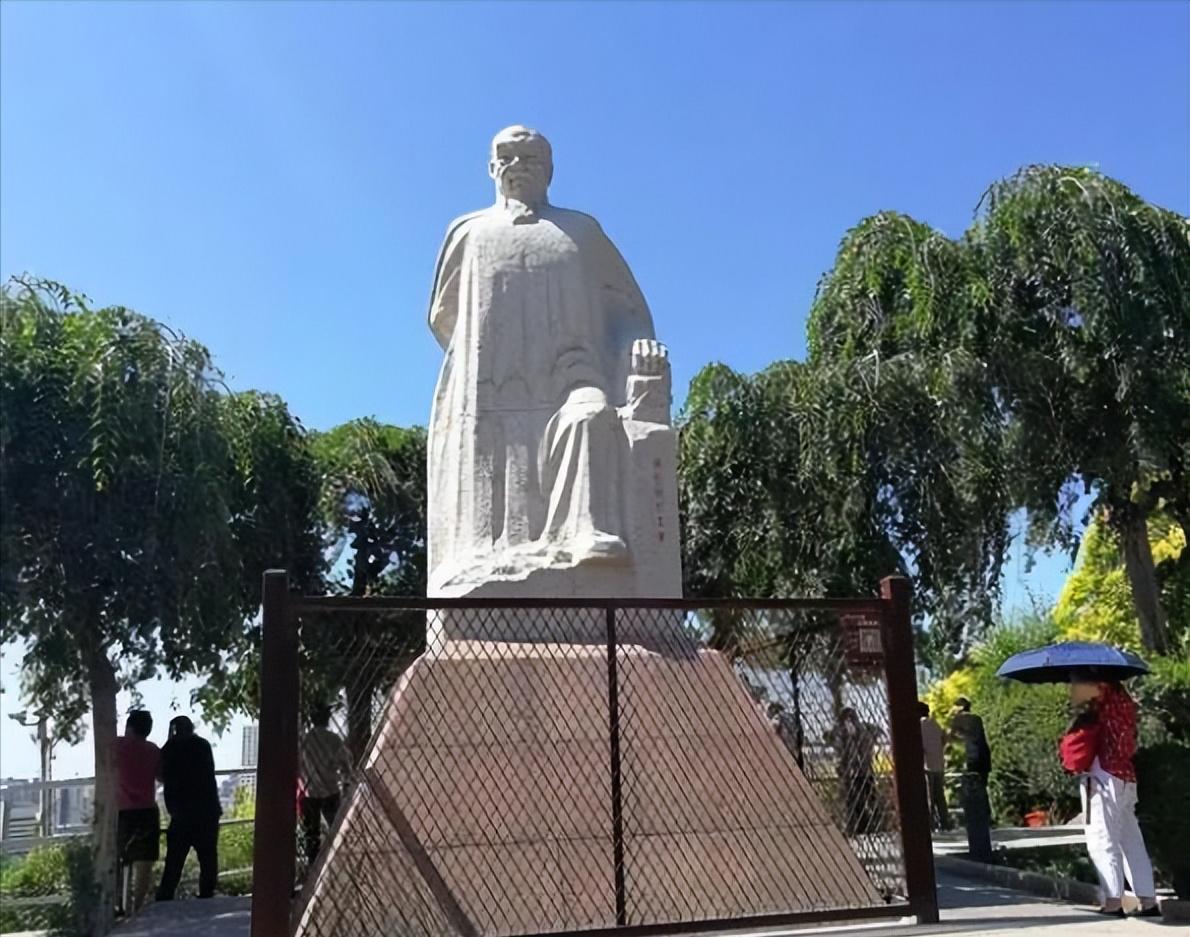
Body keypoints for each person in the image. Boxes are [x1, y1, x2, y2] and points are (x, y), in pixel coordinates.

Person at [1060, 676, 1158, 918]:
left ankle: (1114, 902)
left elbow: (1082, 740)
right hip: (1125, 776)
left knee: (1101, 839)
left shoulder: (1099, 700)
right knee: (1131, 841)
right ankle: (1147, 900)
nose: (1073, 688)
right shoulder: (1124, 701)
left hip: (1102, 777)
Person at [156, 716, 221, 901]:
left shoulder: (170, 749)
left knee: (174, 862)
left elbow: (161, 775)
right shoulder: (203, 745)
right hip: (207, 810)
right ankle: (206, 895)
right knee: (208, 858)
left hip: (181, 813)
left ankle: (165, 897)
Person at [114, 710, 160, 915]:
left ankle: (116, 905)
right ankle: (137, 909)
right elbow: (161, 776)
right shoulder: (153, 750)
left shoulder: (115, 745)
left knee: (117, 859)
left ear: (128, 726)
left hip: (121, 811)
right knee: (144, 864)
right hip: (147, 811)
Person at [300, 705, 351, 865]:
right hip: (330, 790)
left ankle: (313, 866)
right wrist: (345, 781)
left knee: (311, 834)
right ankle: (341, 861)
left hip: (309, 791)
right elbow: (346, 762)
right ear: (327, 719)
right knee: (337, 829)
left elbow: (297, 764)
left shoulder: (304, 740)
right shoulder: (333, 739)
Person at [826, 707, 881, 836]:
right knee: (868, 796)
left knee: (853, 798)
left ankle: (857, 825)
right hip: (865, 769)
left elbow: (841, 749)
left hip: (854, 770)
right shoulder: (865, 728)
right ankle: (869, 824)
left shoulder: (848, 729)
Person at [949, 697, 992, 860]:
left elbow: (955, 741)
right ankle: (987, 818)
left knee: (971, 796)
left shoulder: (957, 721)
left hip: (970, 760)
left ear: (959, 707)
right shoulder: (977, 719)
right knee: (983, 790)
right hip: (983, 758)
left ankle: (978, 827)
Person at [918, 702, 949, 832]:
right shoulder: (935, 724)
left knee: (928, 797)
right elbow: (945, 738)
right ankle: (945, 823)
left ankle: (930, 825)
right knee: (939, 796)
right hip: (939, 764)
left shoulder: (919, 725)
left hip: (927, 765)